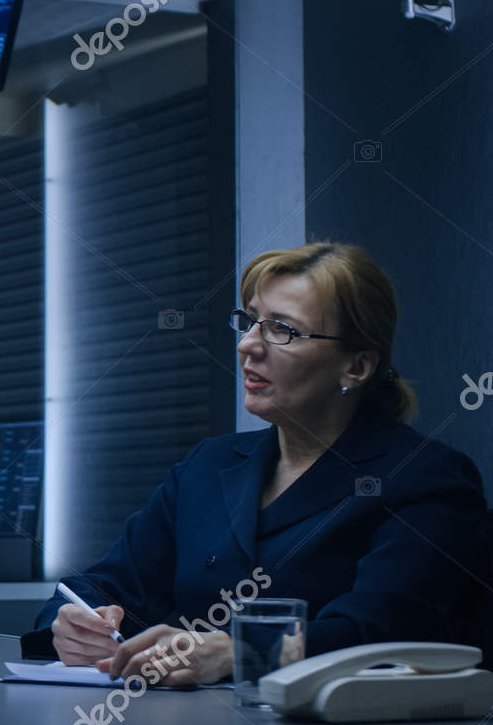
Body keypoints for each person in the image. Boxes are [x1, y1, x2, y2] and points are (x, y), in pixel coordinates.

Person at [32, 242, 488, 686]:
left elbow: (380, 633)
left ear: (357, 366)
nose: (248, 345)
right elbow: (104, 586)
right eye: (249, 321)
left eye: (282, 330)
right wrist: (74, 624)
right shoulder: (207, 465)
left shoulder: (427, 479)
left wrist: (241, 651)